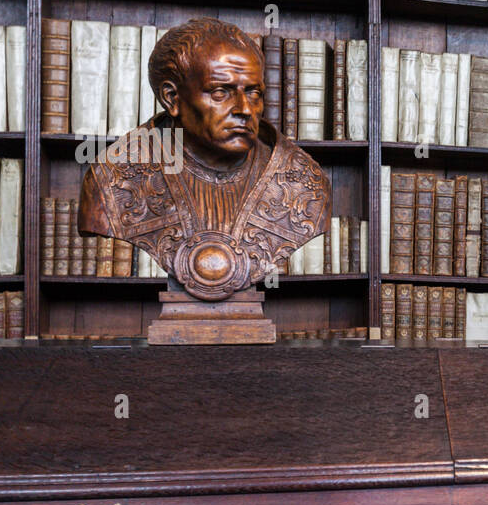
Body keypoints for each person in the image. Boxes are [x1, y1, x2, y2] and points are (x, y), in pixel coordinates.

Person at [79, 17, 330, 302]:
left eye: (253, 93)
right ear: (172, 98)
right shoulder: (113, 180)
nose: (245, 109)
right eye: (221, 92)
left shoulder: (305, 184)